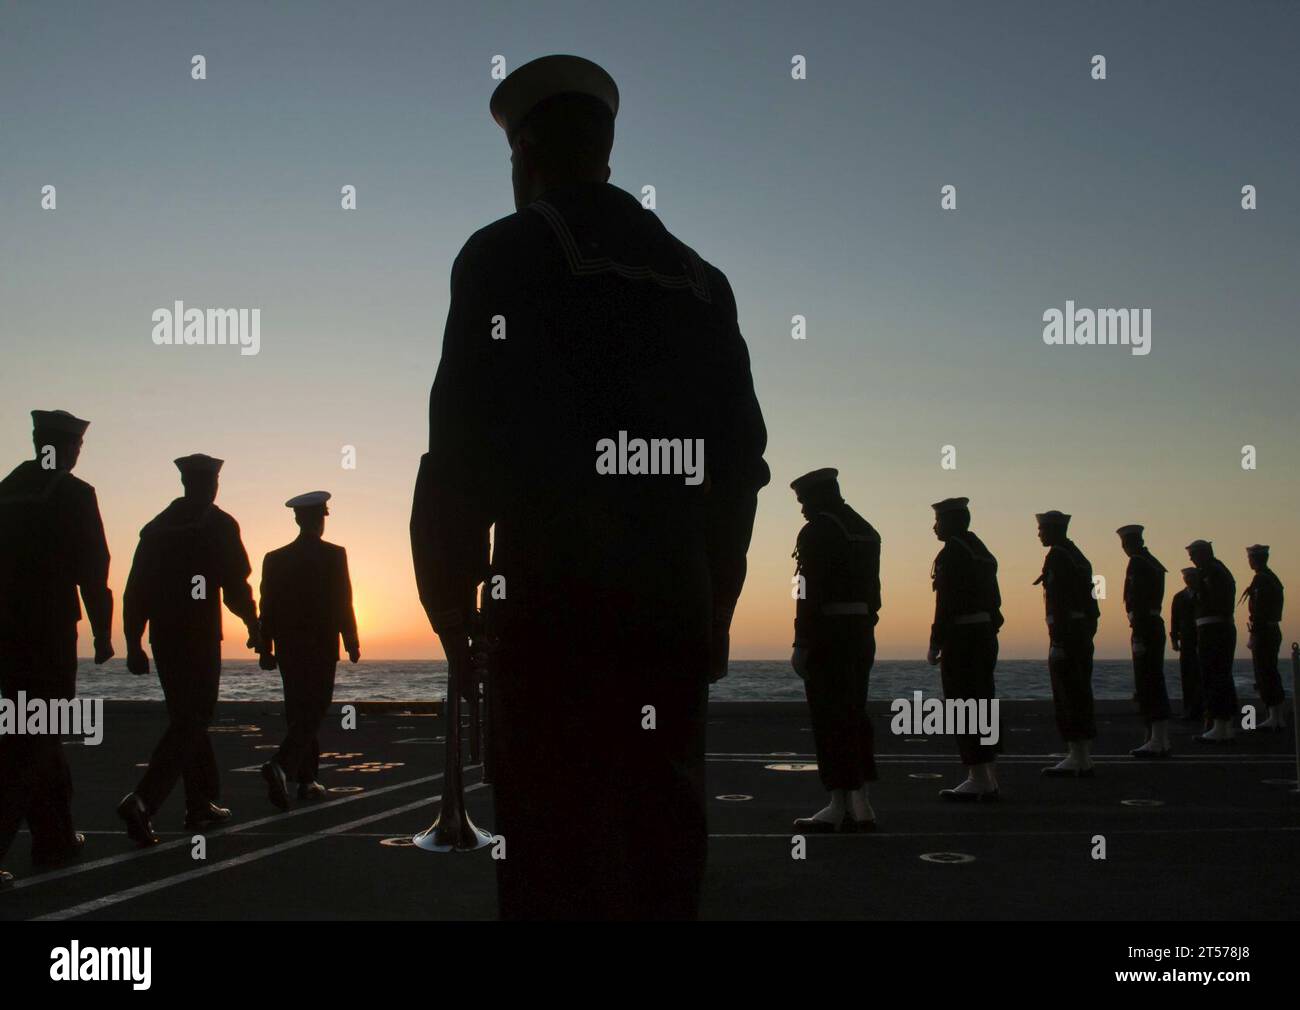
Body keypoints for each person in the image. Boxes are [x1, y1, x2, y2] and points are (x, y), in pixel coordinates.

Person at [410, 54, 769, 920]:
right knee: (662, 848)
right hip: (670, 610)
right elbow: (738, 464)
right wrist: (715, 601)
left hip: (556, 607)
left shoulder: (504, 253)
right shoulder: (702, 280)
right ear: (606, 152)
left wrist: (452, 610)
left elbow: (461, 445)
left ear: (524, 155)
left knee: (553, 858)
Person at [117, 454, 262, 845]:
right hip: (198, 637)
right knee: (193, 719)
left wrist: (132, 642)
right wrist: (254, 624)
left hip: (164, 638)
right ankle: (144, 800)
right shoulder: (217, 524)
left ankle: (199, 804)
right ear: (212, 484)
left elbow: (136, 592)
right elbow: (235, 585)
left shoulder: (156, 529)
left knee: (187, 717)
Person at [0, 410, 112, 881]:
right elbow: (93, 568)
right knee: (32, 740)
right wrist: (104, 634)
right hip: (46, 635)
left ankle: (55, 837)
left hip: (5, 636)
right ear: (68, 448)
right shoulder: (74, 494)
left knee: (31, 732)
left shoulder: (6, 492)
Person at [788, 468, 880, 831]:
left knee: (829, 717)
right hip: (860, 631)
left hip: (827, 633)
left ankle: (838, 801)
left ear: (818, 496)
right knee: (855, 714)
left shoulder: (817, 531)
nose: (803, 511)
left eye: (804, 501)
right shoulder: (866, 531)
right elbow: (874, 595)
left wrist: (802, 640)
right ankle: (862, 803)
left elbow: (805, 591)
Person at [258, 491, 360, 808]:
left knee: (299, 711)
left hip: (290, 647)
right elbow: (344, 601)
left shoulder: (275, 559)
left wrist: (265, 647)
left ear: (298, 519)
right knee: (315, 709)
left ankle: (306, 779)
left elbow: (268, 608)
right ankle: (283, 766)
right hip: (320, 644)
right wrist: (351, 639)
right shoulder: (334, 555)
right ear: (320, 519)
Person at [927, 497, 1002, 800]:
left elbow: (946, 603)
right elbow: (995, 603)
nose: (935, 527)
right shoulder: (981, 553)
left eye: (939, 521)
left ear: (953, 522)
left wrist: (935, 641)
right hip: (983, 633)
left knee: (963, 702)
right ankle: (987, 773)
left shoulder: (952, 554)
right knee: (982, 699)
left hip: (962, 635)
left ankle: (978, 775)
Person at [1035, 511, 1100, 777]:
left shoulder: (1059, 557)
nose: (1039, 534)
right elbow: (1093, 602)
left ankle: (1077, 755)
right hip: (1080, 631)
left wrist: (1059, 639)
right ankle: (1082, 755)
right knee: (1080, 691)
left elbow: (1059, 601)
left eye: (1042, 529)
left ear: (1053, 530)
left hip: (1066, 633)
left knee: (1068, 692)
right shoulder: (1080, 558)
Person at [1117, 525, 1171, 757]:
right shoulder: (1152, 562)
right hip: (1151, 624)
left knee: (1148, 681)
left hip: (1144, 626)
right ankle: (1157, 736)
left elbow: (1136, 597)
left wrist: (1138, 633)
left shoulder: (1138, 563)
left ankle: (1157, 738)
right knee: (1153, 678)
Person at [1186, 540, 1238, 744]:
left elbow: (1211, 601)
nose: (1191, 558)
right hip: (1216, 628)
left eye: (1193, 554)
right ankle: (1223, 725)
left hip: (1214, 629)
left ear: (1203, 553)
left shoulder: (1211, 572)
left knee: (1214, 676)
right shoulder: (1217, 570)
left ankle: (1220, 724)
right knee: (1220, 676)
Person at [1242, 544, 1285, 731]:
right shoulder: (1272, 578)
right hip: (1271, 630)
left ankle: (1274, 716)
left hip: (1264, 631)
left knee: (1265, 672)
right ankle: (1275, 715)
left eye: (1251, 558)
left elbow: (1259, 610)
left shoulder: (1261, 579)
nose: (1249, 561)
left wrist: (1254, 634)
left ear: (1255, 559)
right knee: (1270, 671)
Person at [1169, 567, 1203, 721]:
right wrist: (1174, 639)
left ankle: (1201, 709)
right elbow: (1174, 619)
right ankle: (1188, 708)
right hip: (1187, 640)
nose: (1188, 579)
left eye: (1191, 576)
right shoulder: (1179, 597)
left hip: (1201, 638)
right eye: (1187, 577)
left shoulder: (1203, 595)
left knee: (1201, 675)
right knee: (1187, 675)